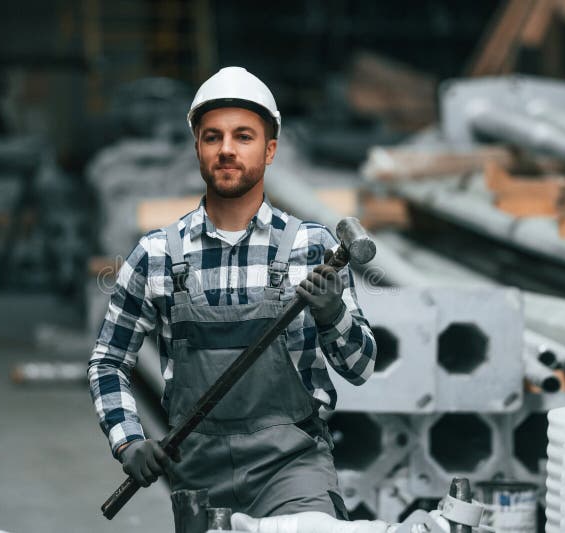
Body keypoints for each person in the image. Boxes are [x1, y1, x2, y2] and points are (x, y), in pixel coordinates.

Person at [89, 66, 377, 520]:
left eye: (244, 136)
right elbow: (108, 361)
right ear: (197, 148)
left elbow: (360, 367)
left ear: (270, 150)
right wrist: (127, 439)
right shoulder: (157, 253)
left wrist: (332, 313)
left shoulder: (313, 248)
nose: (226, 149)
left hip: (292, 469)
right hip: (198, 476)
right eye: (212, 137)